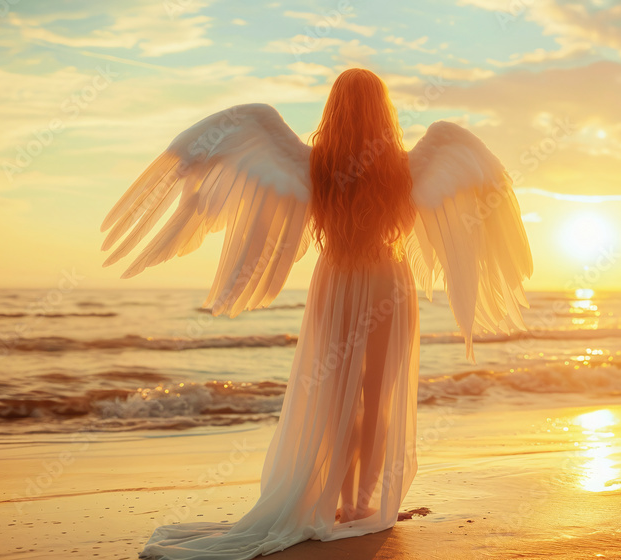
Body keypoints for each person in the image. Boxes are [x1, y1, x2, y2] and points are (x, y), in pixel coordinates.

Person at [100, 67, 532, 559]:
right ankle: (360, 502)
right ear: (383, 109)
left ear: (334, 109)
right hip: (387, 283)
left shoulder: (313, 165)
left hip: (336, 283)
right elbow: (493, 189)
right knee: (377, 391)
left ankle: (336, 499)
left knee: (335, 390)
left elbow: (203, 157)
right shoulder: (411, 164)